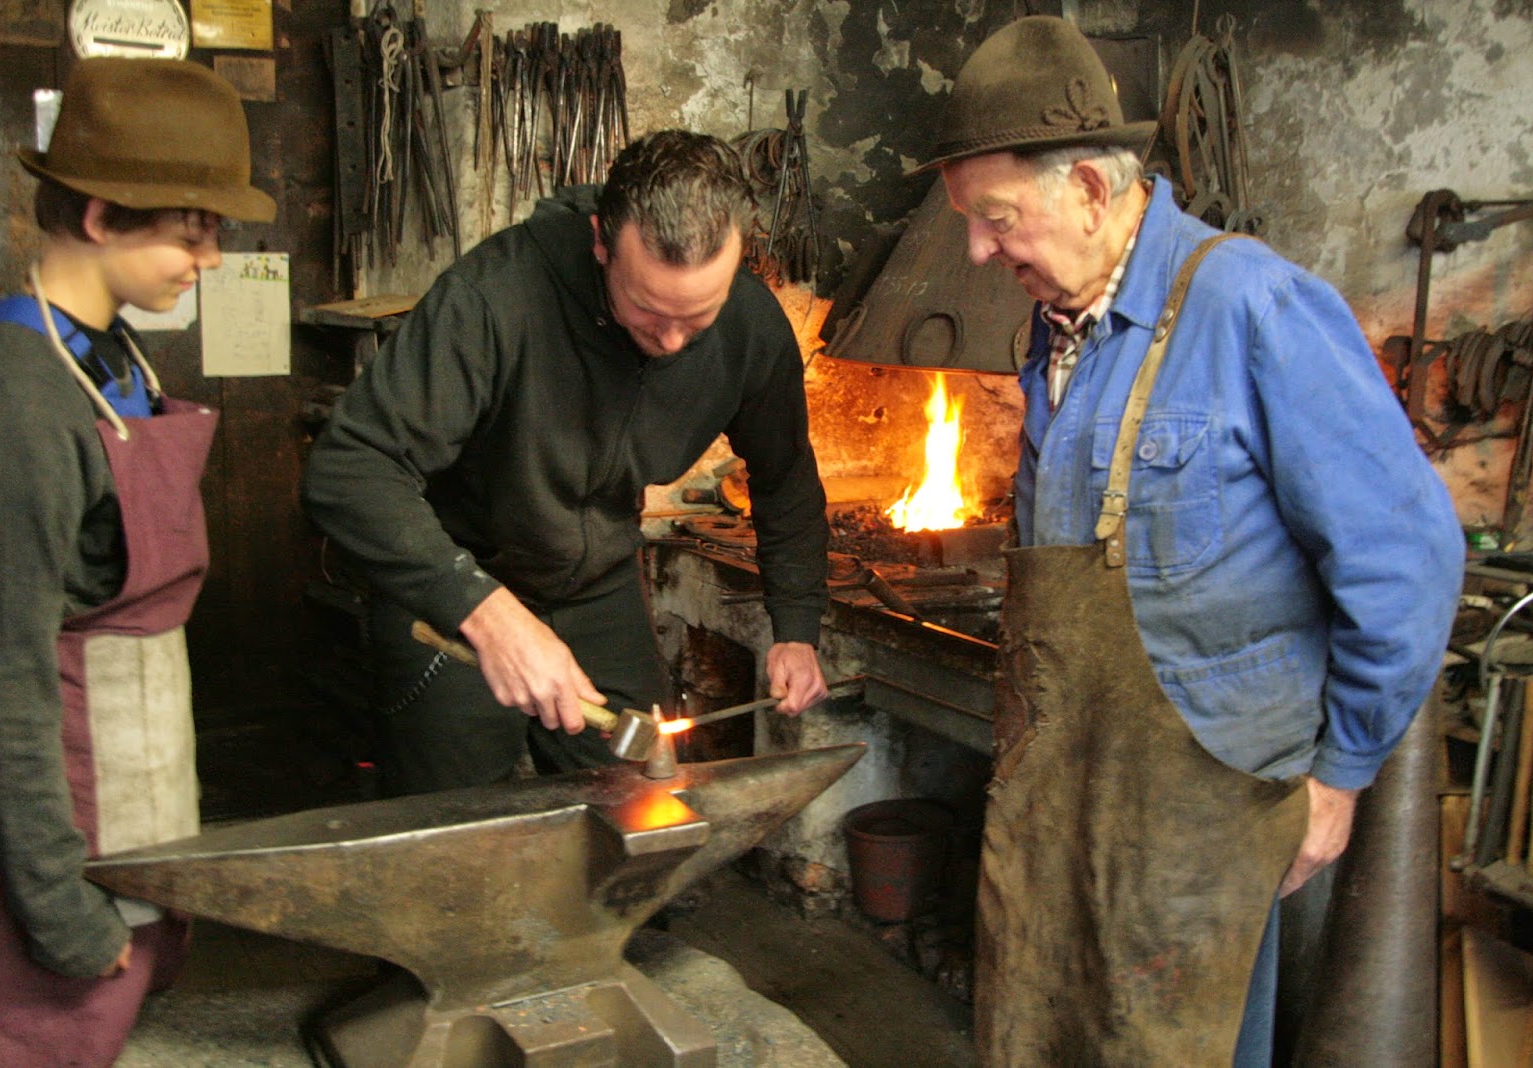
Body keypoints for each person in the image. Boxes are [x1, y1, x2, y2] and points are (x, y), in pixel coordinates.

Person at [912, 16, 1464, 1067]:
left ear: (1085, 188)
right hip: (1063, 789)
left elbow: (1407, 556)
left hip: (1203, 810)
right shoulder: (1054, 330)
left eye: (993, 219)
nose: (979, 252)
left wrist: (1341, 776)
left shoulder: (1252, 306)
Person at [302, 129, 830, 795]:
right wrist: (488, 614)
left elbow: (783, 479)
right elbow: (349, 468)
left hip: (598, 588)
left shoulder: (752, 327)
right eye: (646, 309)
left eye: (696, 319)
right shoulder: (493, 297)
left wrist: (796, 626)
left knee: (639, 804)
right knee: (460, 839)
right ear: (602, 243)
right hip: (453, 589)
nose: (669, 342)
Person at [0, 58, 276, 1067]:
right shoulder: (13, 393)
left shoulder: (112, 355)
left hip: (129, 779)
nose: (207, 258)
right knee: (34, 1038)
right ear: (97, 216)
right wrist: (54, 907)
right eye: (191, 229)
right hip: (55, 811)